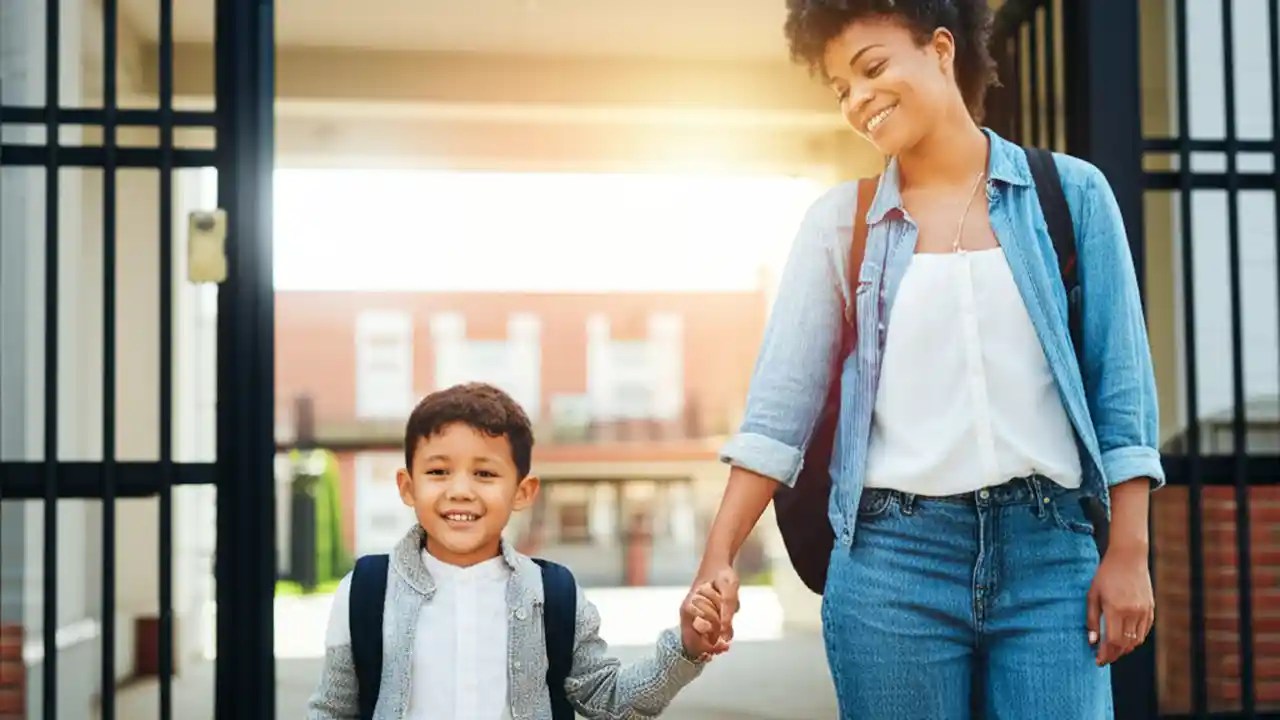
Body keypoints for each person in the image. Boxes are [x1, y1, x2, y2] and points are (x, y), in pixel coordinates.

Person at [687, 1, 1163, 717]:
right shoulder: (838, 226)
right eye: (841, 88)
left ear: (941, 49)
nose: (859, 100)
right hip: (892, 562)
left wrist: (1129, 551)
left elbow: (1121, 391)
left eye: (873, 68)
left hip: (1049, 554)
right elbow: (778, 412)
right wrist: (718, 555)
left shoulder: (1072, 196)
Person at [308, 382, 724, 720]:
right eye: (438, 471)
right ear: (407, 486)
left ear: (522, 492)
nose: (460, 491)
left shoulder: (554, 595)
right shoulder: (365, 591)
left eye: (485, 474)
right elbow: (332, 710)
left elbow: (610, 701)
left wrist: (685, 648)